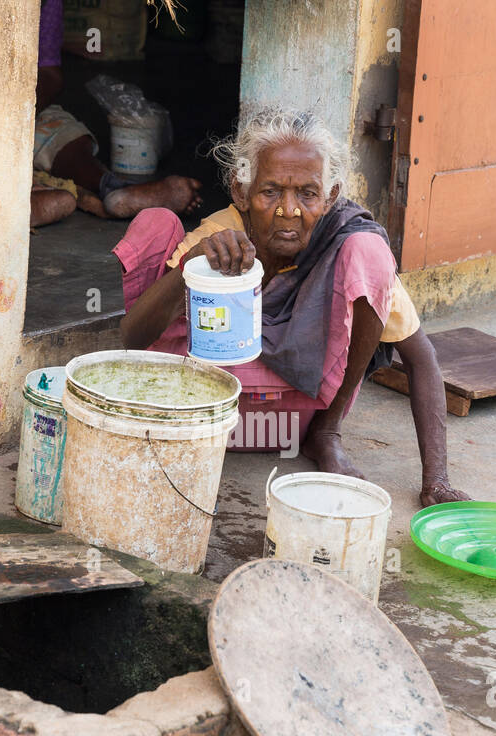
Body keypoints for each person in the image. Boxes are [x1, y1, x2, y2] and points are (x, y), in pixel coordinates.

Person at [114, 107, 469, 506]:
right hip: (208, 417)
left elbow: (421, 358)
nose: (289, 209)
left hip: (293, 421)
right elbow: (132, 337)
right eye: (270, 192)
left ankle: (327, 432)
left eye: (307, 193)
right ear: (241, 193)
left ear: (330, 196)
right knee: (163, 236)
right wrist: (193, 265)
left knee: (371, 250)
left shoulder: (345, 241)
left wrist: (436, 480)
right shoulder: (220, 235)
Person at [32, 0, 203, 227]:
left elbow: (50, 75)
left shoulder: (48, 4)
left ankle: (111, 187)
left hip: (21, 104)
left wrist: (19, 115)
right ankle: (42, 200)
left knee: (62, 133)